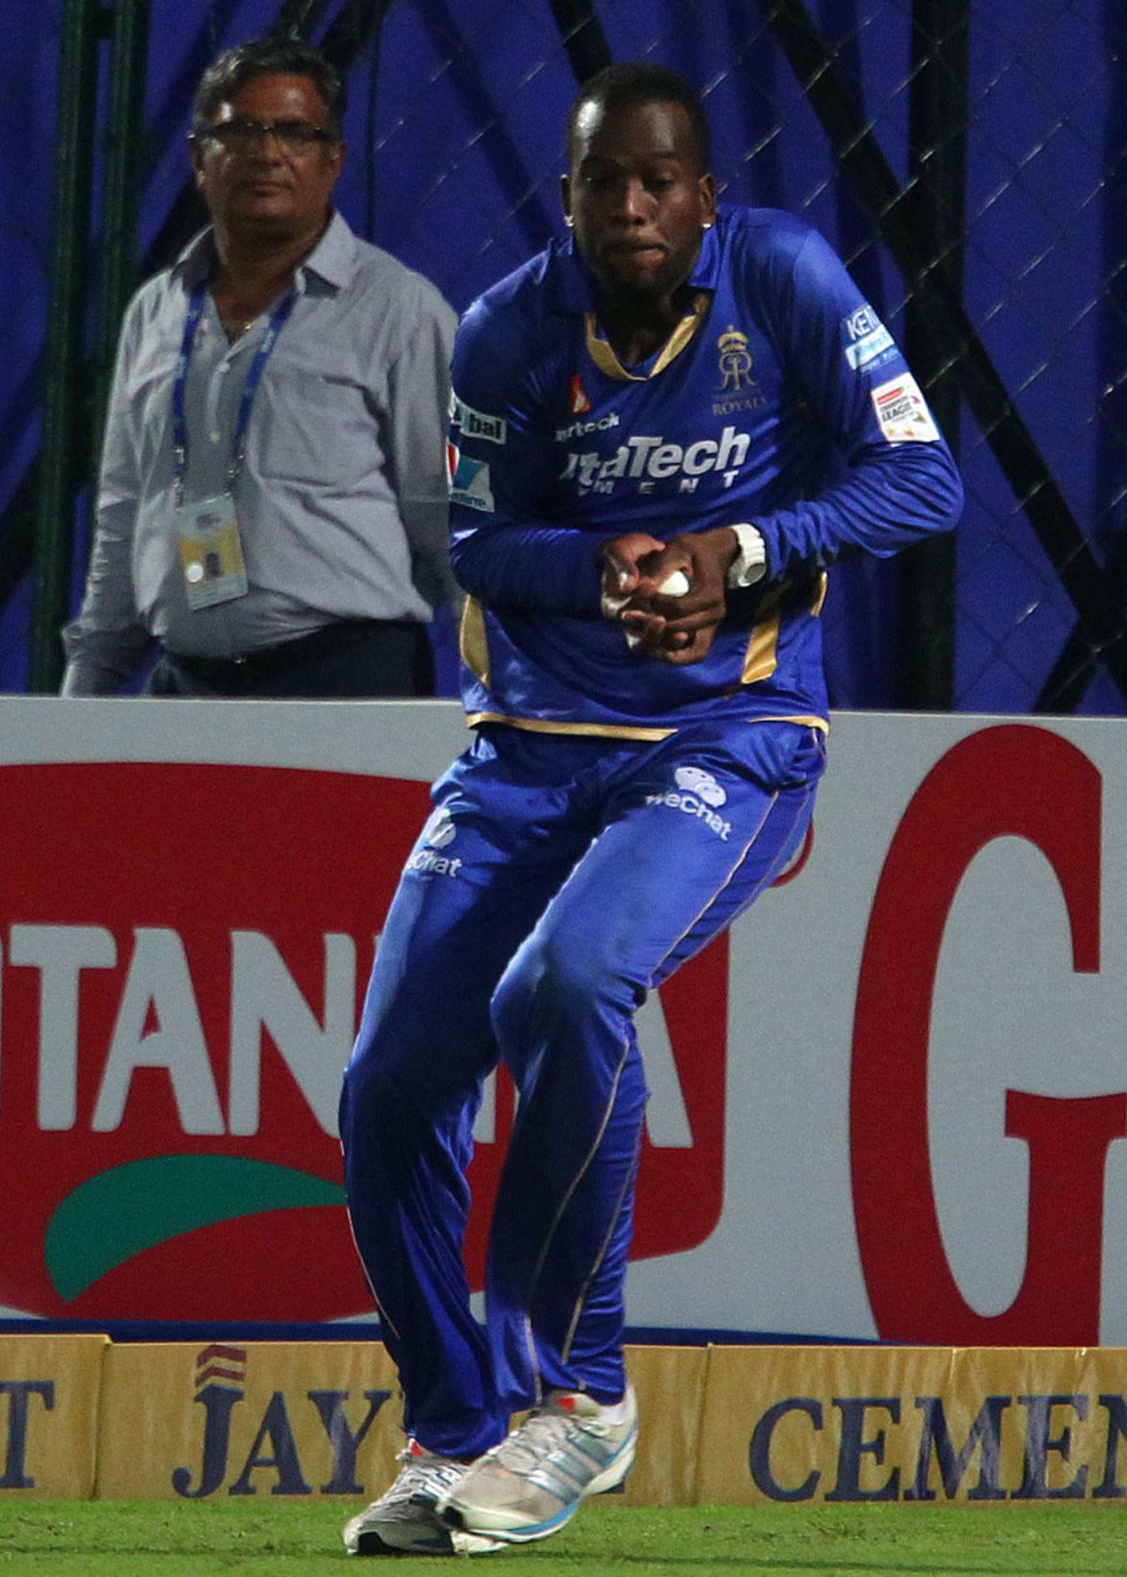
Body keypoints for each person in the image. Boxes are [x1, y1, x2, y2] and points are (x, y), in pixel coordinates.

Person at [338, 61, 963, 1556]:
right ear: (564, 198)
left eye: (659, 180)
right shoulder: (504, 332)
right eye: (602, 180)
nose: (631, 205)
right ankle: (455, 1432)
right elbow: (482, 541)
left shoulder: (787, 281)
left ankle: (582, 1397)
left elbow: (923, 482)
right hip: (528, 748)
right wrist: (613, 574)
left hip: (727, 738)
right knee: (387, 1089)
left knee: (569, 981)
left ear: (706, 198)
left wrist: (739, 548)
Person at [61, 36, 459, 700]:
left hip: (347, 687)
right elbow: (123, 511)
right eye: (239, 130)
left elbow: (450, 519)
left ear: (334, 161)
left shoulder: (399, 310)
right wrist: (86, 692)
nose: (266, 152)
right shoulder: (154, 313)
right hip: (187, 688)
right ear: (198, 159)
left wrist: (511, 703)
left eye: (295, 134)